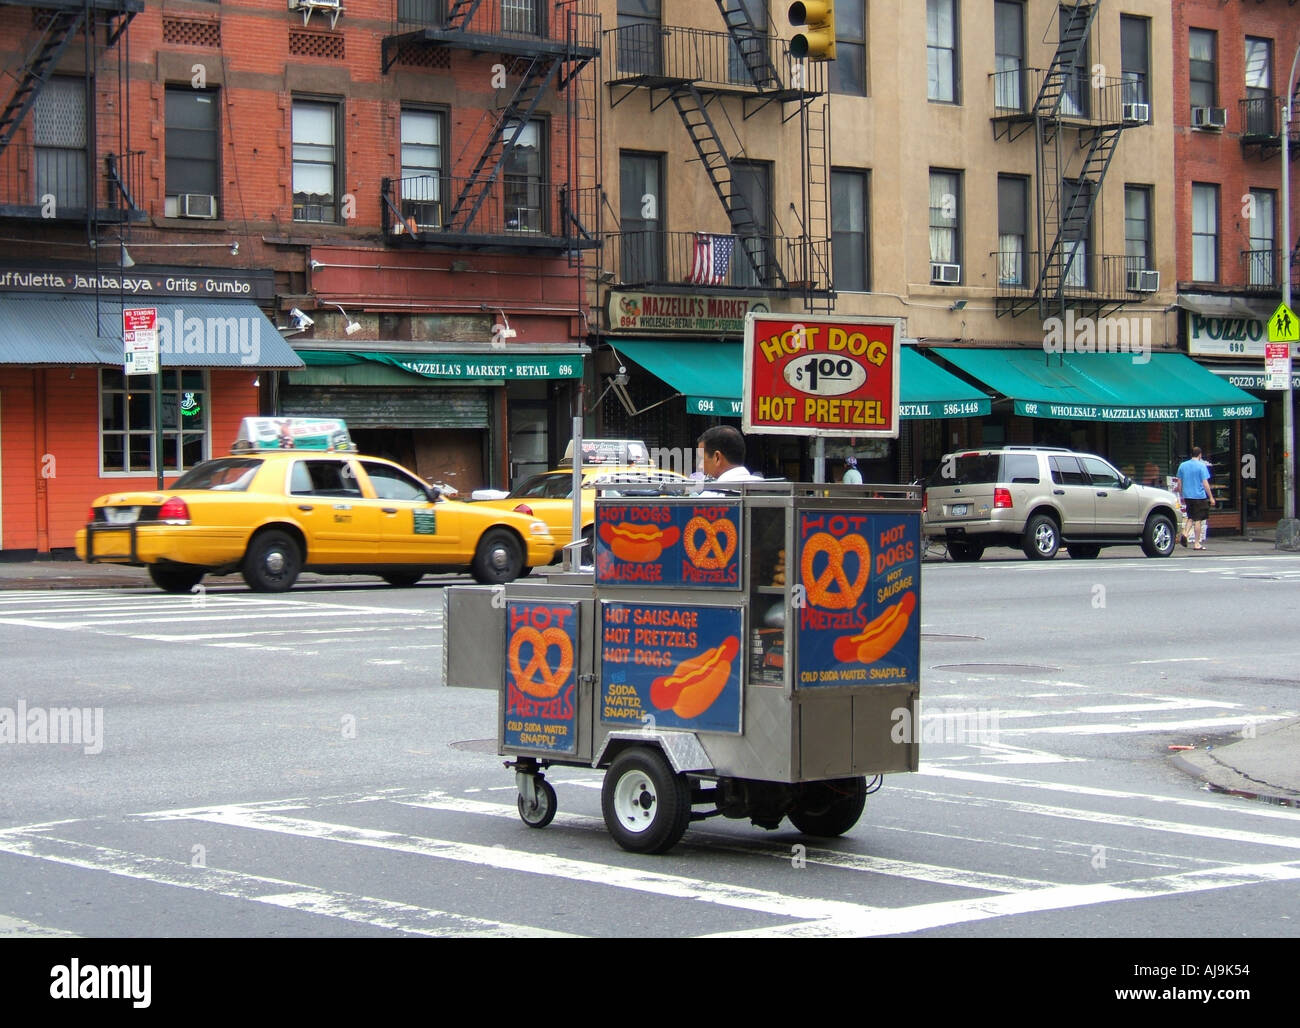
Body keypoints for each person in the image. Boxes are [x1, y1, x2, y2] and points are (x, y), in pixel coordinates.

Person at [1176, 446, 1214, 550]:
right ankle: (1197, 544)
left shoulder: (1182, 465)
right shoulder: (1201, 466)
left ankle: (1185, 533)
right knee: (1199, 520)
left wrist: (1181, 494)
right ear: (1200, 455)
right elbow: (1205, 483)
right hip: (1199, 496)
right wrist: (1211, 497)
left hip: (1187, 496)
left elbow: (1179, 483)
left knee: (1190, 516)